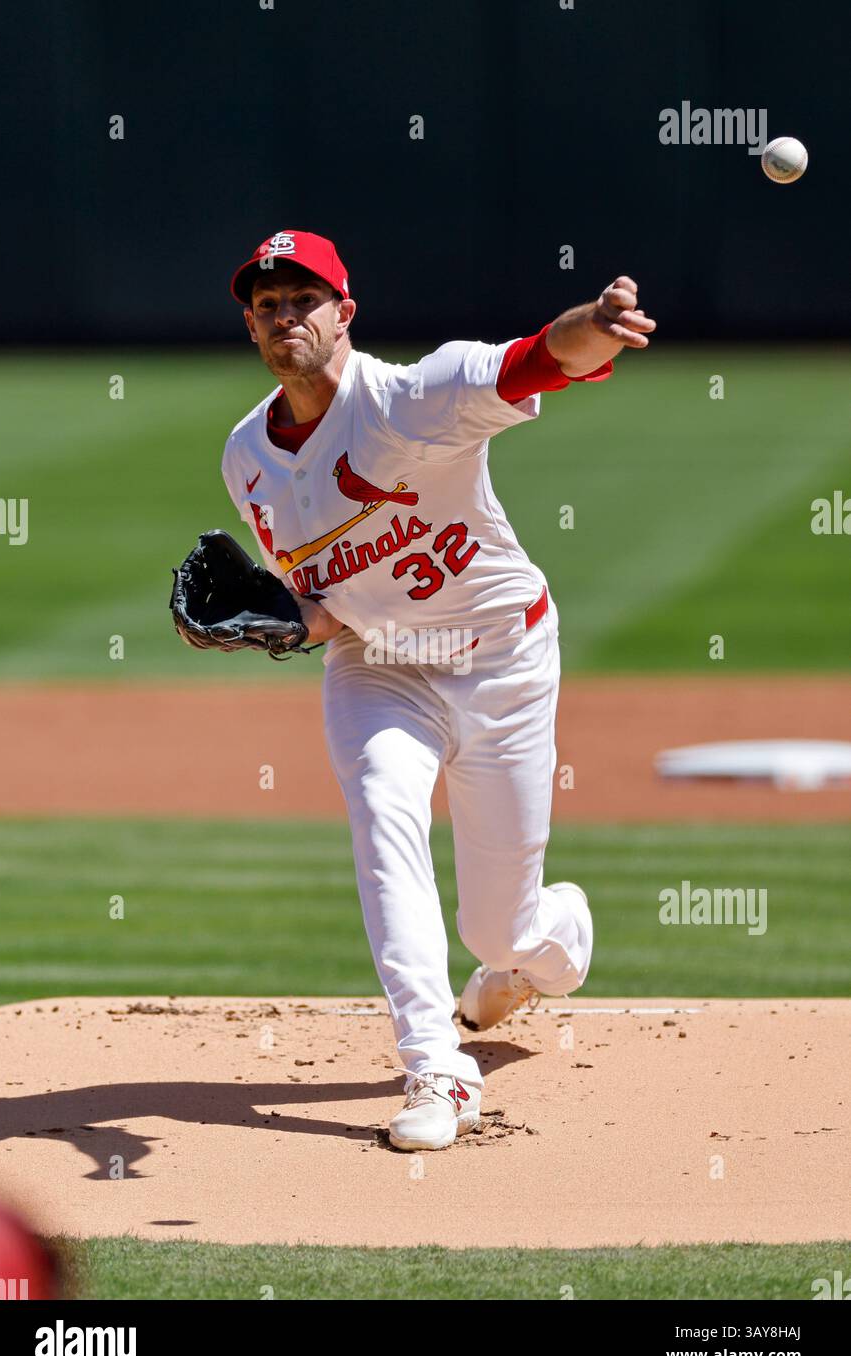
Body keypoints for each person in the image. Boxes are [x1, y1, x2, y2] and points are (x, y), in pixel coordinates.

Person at [221, 229, 656, 1151]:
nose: (283, 315)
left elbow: (540, 358)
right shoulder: (245, 460)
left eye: (304, 298)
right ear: (252, 326)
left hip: (502, 658)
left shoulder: (416, 397)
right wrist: (294, 625)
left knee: (501, 925)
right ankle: (437, 1066)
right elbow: (325, 602)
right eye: (265, 304)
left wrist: (600, 324)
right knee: (383, 810)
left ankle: (549, 943)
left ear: (346, 312)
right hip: (380, 668)